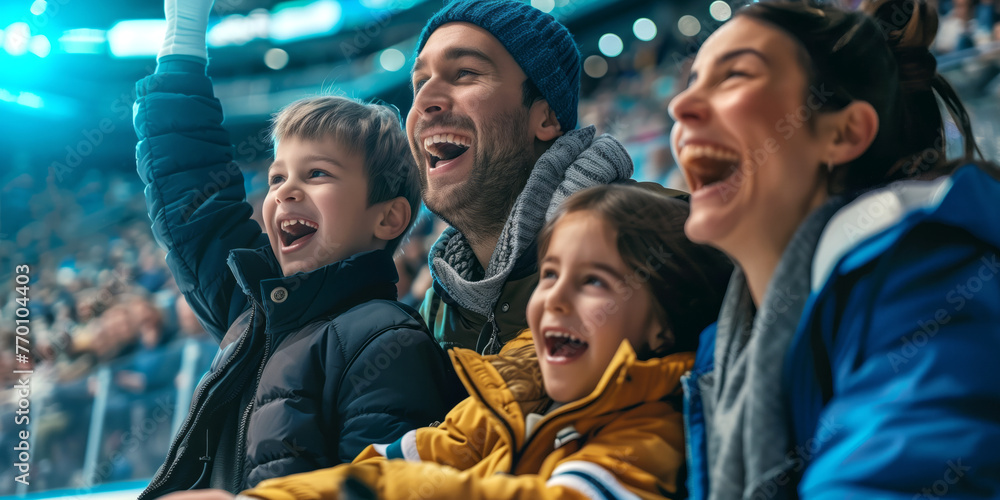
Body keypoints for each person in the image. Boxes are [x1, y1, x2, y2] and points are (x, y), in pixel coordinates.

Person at [162, 184, 733, 500]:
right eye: (551, 274)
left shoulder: (652, 433)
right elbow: (394, 462)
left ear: (662, 322)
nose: (552, 300)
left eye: (593, 282)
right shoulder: (515, 388)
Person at [668, 0, 1000, 498]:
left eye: (734, 75)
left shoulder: (929, 276)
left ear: (844, 133)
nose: (679, 105)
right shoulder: (722, 349)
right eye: (692, 81)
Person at [131, 0, 461, 496]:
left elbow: (375, 490)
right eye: (277, 176)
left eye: (317, 174)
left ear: (387, 217)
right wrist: (184, 31)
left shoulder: (387, 341)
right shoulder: (254, 313)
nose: (284, 190)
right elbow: (190, 200)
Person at [410, 0, 677, 354]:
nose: (423, 100)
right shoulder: (437, 308)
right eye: (420, 82)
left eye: (465, 73)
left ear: (546, 119)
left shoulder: (662, 236)